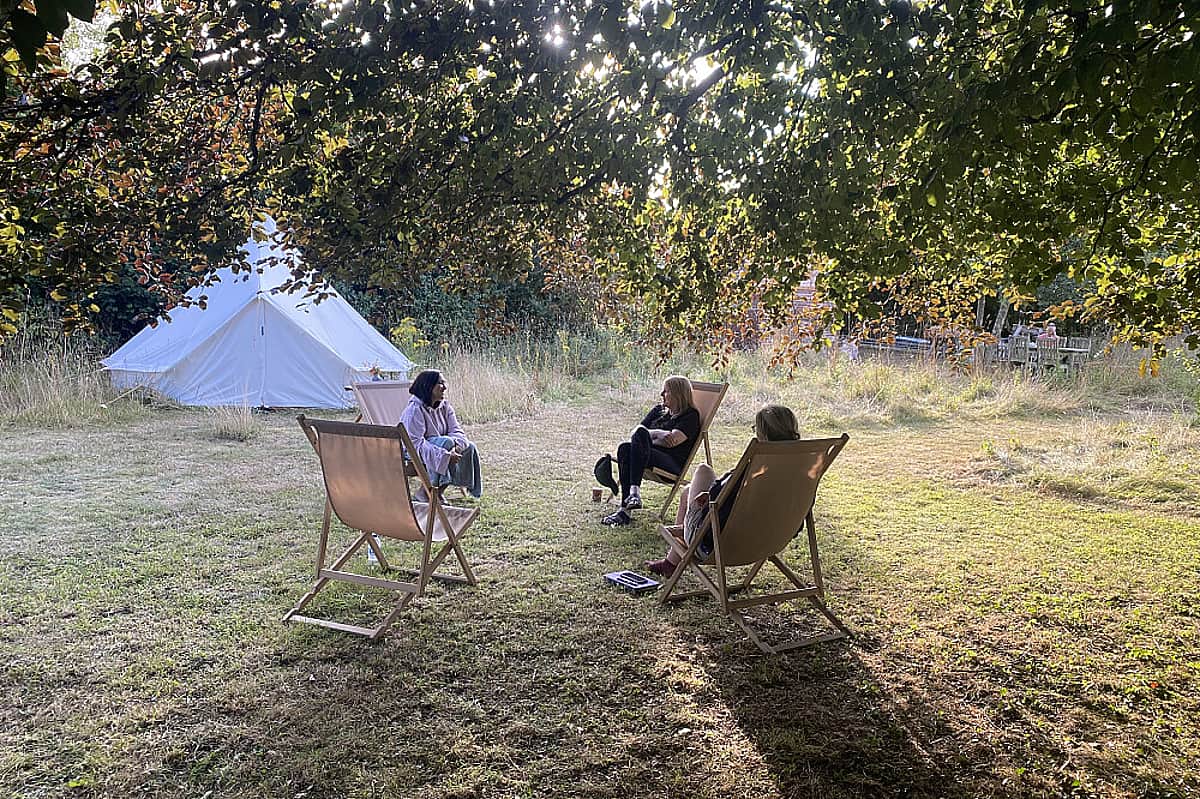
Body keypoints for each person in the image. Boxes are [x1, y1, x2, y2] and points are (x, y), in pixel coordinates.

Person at [644, 404, 802, 577]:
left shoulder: (755, 470)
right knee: (687, 491)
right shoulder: (803, 471)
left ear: (762, 434)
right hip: (772, 541)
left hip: (718, 545)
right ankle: (670, 562)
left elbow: (719, 494)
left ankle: (671, 562)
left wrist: (712, 494)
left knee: (703, 470)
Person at [601, 376, 701, 526]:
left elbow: (672, 442)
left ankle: (630, 500)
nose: (661, 394)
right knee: (625, 447)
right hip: (645, 455)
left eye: (666, 391)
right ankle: (627, 506)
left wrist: (647, 437)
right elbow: (636, 432)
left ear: (678, 394)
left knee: (639, 438)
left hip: (670, 463)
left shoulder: (691, 416)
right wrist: (659, 434)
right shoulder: (659, 411)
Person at [398, 369, 482, 500]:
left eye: (444, 383)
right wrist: (445, 456)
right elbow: (415, 444)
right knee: (446, 443)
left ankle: (438, 491)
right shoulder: (414, 411)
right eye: (440, 383)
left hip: (443, 447)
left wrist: (456, 447)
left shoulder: (445, 407)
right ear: (429, 386)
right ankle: (426, 493)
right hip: (413, 451)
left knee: (469, 447)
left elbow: (456, 431)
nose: (445, 387)